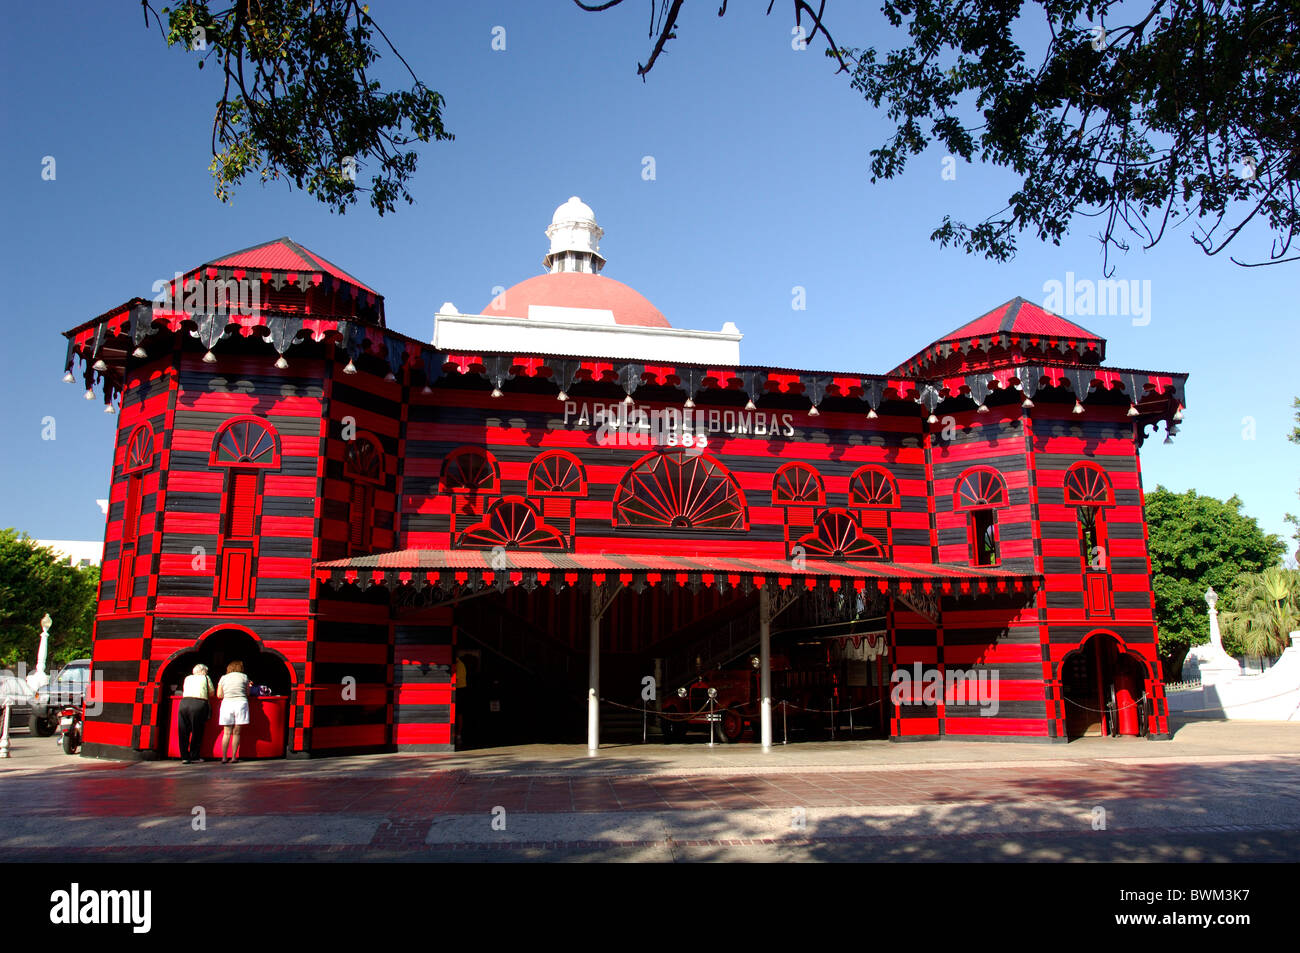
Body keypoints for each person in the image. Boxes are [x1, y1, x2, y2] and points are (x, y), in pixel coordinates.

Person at [177, 664, 214, 763]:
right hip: (198, 703)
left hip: (184, 703)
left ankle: (184, 757)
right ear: (203, 671)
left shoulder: (188, 678)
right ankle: (194, 756)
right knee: (197, 730)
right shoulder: (205, 678)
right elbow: (211, 692)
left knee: (183, 731)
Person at [216, 660, 250, 763]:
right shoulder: (244, 677)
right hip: (241, 703)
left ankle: (224, 757)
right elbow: (248, 693)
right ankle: (234, 757)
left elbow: (219, 695)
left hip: (227, 704)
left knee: (226, 733)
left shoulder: (223, 678)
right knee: (237, 733)